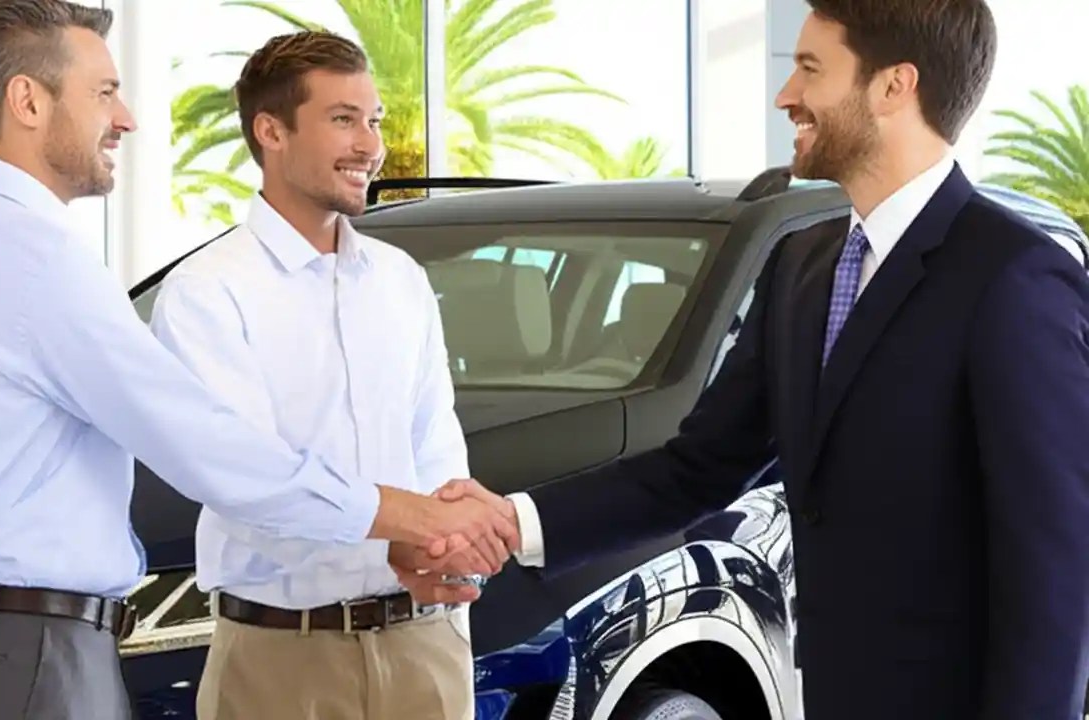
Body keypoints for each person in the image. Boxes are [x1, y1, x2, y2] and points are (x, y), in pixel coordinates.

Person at [441, 1, 1089, 719]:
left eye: (810, 68)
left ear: (893, 86)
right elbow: (698, 468)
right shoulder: (801, 266)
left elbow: (1054, 572)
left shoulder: (1013, 275)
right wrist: (514, 520)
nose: (786, 95)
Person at [0, 3, 515, 719]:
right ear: (27, 101)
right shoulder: (37, 260)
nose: (125, 119)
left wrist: (416, 532)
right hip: (29, 653)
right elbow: (208, 448)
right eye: (104, 92)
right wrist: (411, 518)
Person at [148, 30, 486, 720]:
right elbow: (247, 478)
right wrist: (407, 525)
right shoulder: (206, 294)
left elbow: (434, 439)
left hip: (425, 647)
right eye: (343, 119)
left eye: (373, 121)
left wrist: (447, 543)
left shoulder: (400, 280)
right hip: (281, 662)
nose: (370, 145)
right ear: (271, 131)